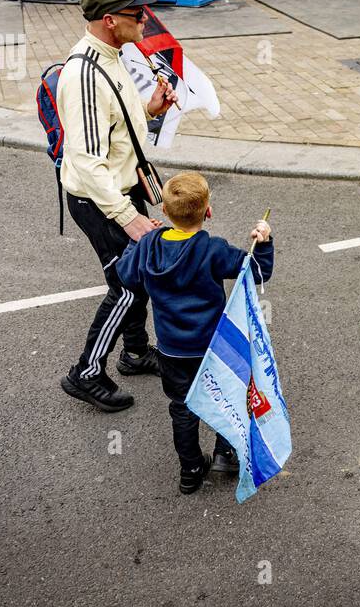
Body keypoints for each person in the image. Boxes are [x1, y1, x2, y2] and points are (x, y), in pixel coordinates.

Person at [57, 0, 178, 413]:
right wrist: (127, 217)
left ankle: (133, 352)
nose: (145, 17)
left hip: (123, 187)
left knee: (140, 275)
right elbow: (88, 161)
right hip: (101, 200)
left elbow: (117, 129)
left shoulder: (113, 56)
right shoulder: (85, 74)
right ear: (110, 21)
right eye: (136, 13)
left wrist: (149, 112)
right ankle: (86, 373)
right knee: (125, 287)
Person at [116, 172, 274, 494]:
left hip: (171, 349)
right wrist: (264, 242)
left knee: (182, 406)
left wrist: (138, 243)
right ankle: (224, 453)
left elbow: (125, 275)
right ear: (208, 211)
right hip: (212, 347)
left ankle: (189, 470)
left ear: (164, 212)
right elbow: (256, 271)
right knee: (223, 396)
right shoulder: (212, 249)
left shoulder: (149, 246)